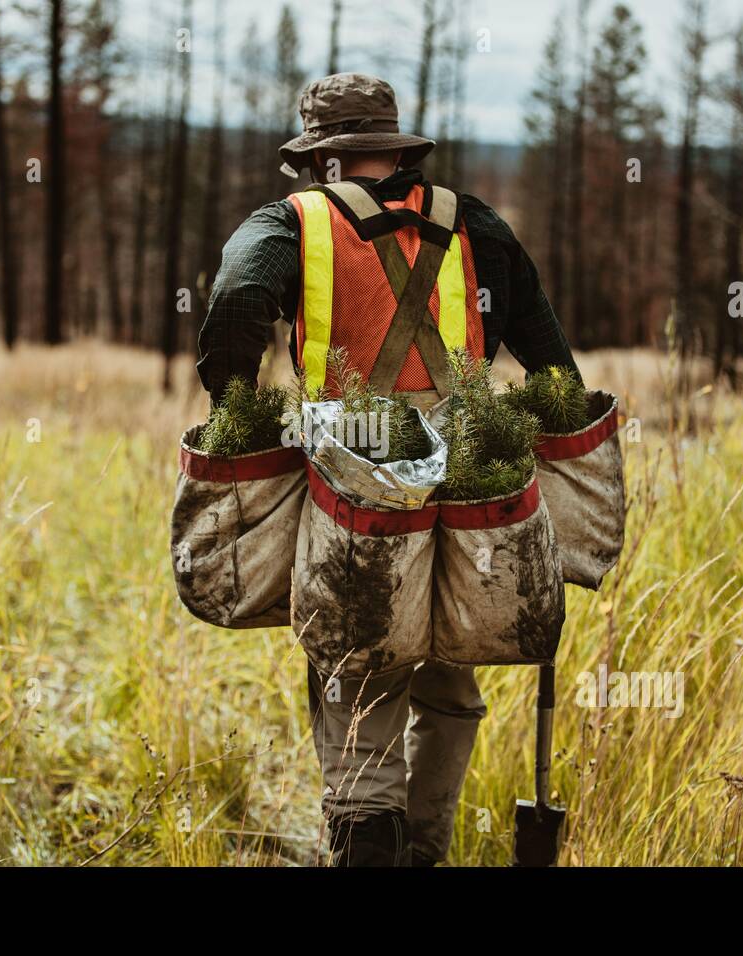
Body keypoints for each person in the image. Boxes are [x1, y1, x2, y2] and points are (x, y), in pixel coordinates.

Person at [196, 72, 577, 866]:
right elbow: (550, 364)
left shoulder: (292, 221)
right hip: (473, 482)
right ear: (395, 149)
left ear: (323, 158)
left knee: (359, 665)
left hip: (358, 477)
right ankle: (423, 852)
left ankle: (369, 843)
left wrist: (238, 405)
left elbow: (236, 296)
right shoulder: (475, 223)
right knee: (449, 669)